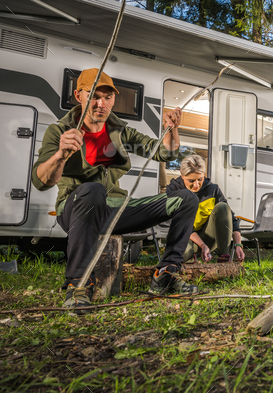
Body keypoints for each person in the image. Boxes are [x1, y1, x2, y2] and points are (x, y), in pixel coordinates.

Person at [32, 68, 201, 308]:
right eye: (93, 95)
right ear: (78, 95)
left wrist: (172, 129)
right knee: (92, 190)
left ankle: (166, 273)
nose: (101, 103)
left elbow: (164, 152)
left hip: (115, 209)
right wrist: (60, 155)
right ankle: (78, 285)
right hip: (76, 209)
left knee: (186, 198)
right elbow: (41, 181)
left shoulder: (120, 132)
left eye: (107, 97)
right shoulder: (60, 131)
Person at [166, 155, 245, 263]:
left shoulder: (213, 190)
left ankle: (224, 258)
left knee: (222, 207)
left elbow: (232, 219)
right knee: (183, 253)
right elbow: (181, 226)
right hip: (185, 239)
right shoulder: (173, 191)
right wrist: (202, 245)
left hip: (208, 239)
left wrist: (238, 245)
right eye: (191, 181)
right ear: (182, 174)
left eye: (200, 179)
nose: (196, 185)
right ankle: (190, 261)